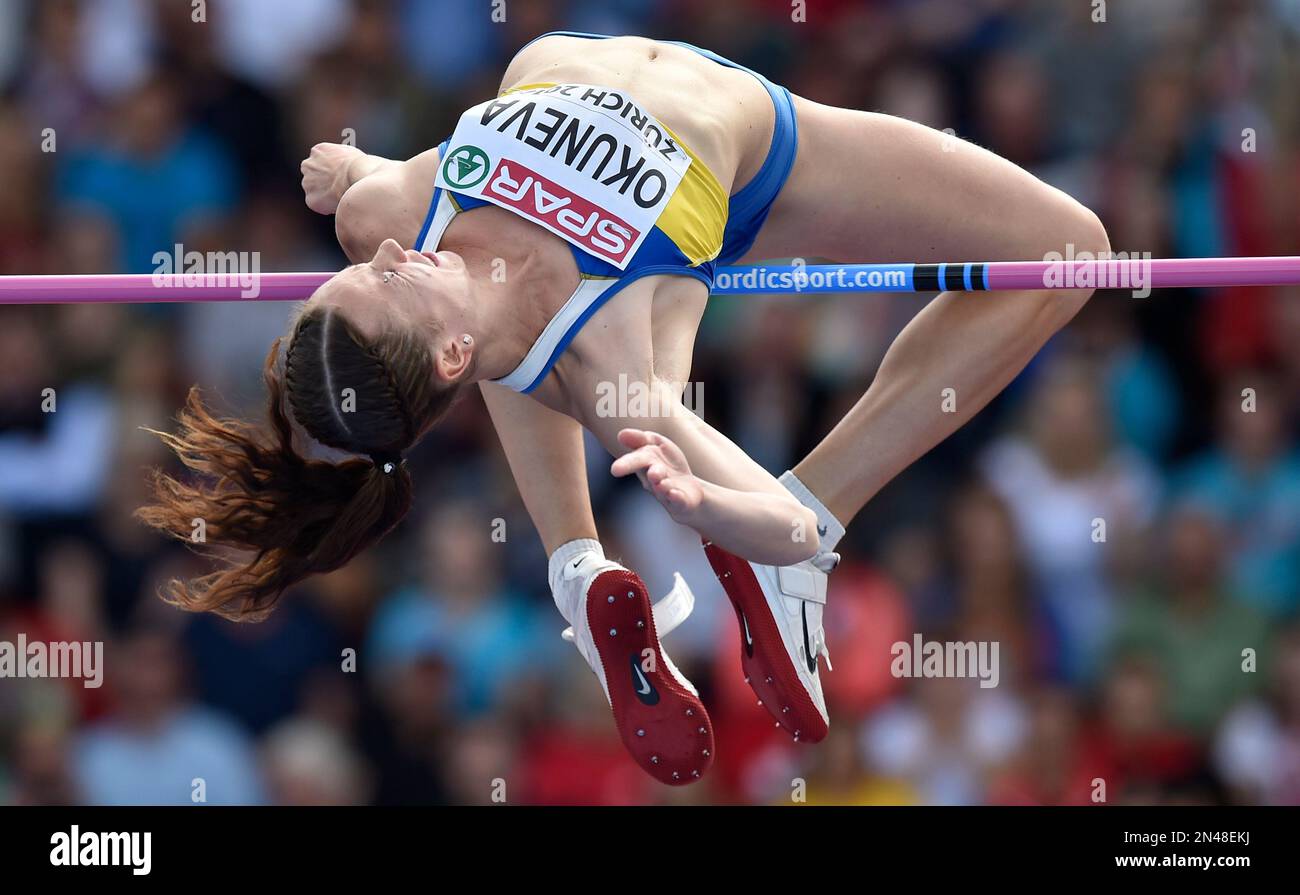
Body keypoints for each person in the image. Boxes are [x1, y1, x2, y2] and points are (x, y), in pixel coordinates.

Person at [138, 32, 1107, 785]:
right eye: (381, 285)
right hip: (755, 154)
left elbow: (373, 204)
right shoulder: (614, 374)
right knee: (1069, 246)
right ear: (445, 352)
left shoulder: (383, 219)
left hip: (595, 147)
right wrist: (726, 514)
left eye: (356, 271)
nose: (385, 258)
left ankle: (574, 565)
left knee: (540, 341)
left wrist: (348, 171)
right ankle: (700, 558)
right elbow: (784, 526)